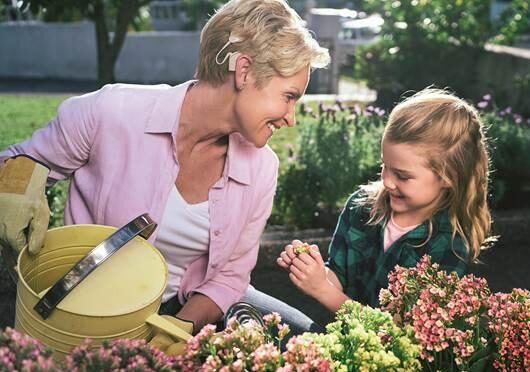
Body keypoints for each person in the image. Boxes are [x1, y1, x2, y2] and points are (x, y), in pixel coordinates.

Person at [0, 0, 330, 346]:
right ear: (244, 71)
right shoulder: (111, 114)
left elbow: (230, 277)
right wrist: (14, 187)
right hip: (92, 306)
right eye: (289, 97)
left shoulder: (261, 167)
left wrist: (175, 330)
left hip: (185, 308)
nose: (291, 117)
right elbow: (18, 161)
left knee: (308, 340)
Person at [278, 88, 494, 312]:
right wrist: (313, 272)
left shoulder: (449, 245)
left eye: (402, 175)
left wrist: (323, 290)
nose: (387, 182)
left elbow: (398, 334)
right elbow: (337, 277)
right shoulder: (360, 207)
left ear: (449, 177)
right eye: (384, 166)